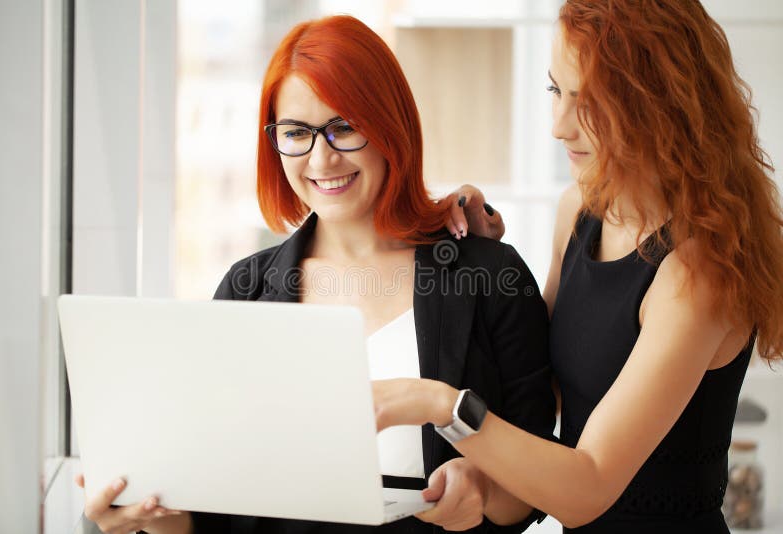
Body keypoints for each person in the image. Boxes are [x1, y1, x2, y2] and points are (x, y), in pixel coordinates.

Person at [75, 15, 557, 534]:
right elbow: (218, 515)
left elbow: (538, 487)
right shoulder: (246, 291)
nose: (322, 159)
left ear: (390, 124)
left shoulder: (490, 277)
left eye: (344, 127)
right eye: (297, 133)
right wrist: (155, 519)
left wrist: (482, 491)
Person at [375, 1, 783, 533]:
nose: (558, 127)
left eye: (589, 100)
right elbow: (539, 384)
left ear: (660, 103)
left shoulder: (696, 272)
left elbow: (587, 486)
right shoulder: (581, 211)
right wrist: (486, 259)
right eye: (555, 91)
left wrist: (434, 402)